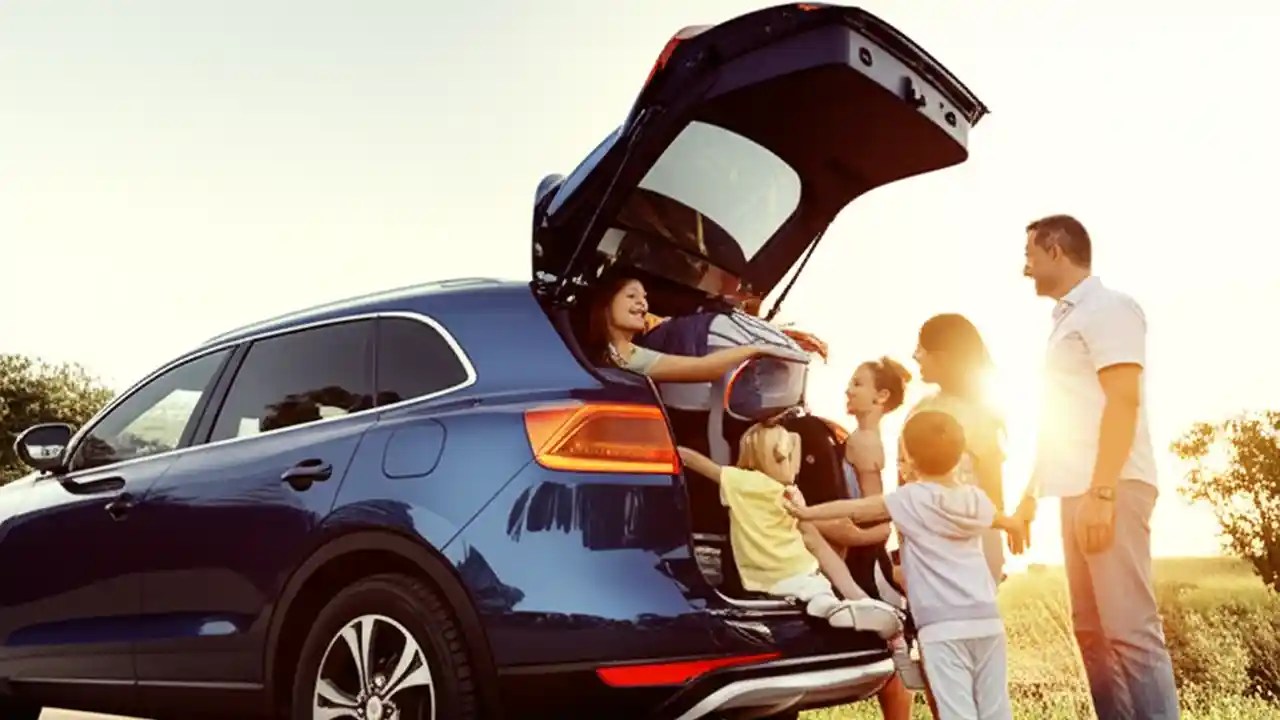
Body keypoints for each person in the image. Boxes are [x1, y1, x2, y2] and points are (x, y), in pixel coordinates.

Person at [1014, 214, 1179, 719]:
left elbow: (1123, 401)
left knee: (1129, 632)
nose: (1025, 268)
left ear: (1056, 251)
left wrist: (1103, 493)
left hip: (1111, 486)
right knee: (1091, 633)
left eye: (1030, 255)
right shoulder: (1066, 320)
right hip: (1075, 490)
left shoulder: (1108, 308)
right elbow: (1060, 419)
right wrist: (1028, 497)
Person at [786, 411, 1024, 720]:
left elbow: (857, 510)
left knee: (956, 712)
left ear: (909, 457)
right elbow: (1000, 519)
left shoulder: (911, 499)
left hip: (942, 627)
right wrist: (1016, 525)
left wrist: (806, 513)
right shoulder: (975, 499)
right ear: (959, 455)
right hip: (987, 621)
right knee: (995, 711)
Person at [675, 422, 904, 636]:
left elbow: (702, 464)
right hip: (795, 568)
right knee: (817, 590)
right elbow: (813, 539)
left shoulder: (741, 482)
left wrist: (675, 451)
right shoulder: (787, 493)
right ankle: (837, 608)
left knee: (811, 589)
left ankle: (845, 605)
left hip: (761, 577)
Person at [902, 314, 1011, 583]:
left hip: (968, 543)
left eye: (921, 349)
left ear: (942, 356)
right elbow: (904, 481)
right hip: (926, 541)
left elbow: (992, 489)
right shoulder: (921, 408)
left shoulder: (979, 413)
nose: (915, 356)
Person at [583, 275, 792, 380]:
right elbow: (705, 368)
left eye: (644, 298)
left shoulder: (619, 352)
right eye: (631, 296)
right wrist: (756, 348)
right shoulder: (624, 355)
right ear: (606, 305)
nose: (642, 303)